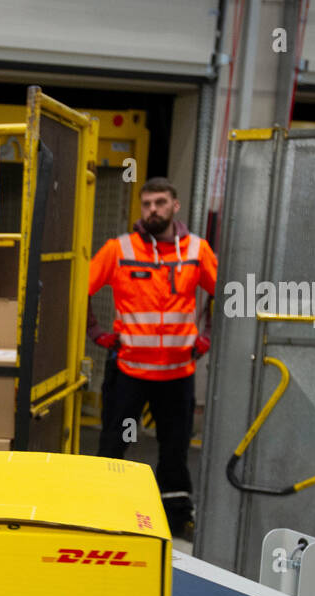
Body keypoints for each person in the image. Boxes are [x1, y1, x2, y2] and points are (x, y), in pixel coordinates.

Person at [87, 177, 217, 539]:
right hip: (129, 371)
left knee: (174, 449)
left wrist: (206, 337)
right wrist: (97, 332)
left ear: (175, 206)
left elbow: (224, 292)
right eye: (146, 204)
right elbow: (79, 287)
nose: (152, 210)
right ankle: (101, 513)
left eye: (160, 202)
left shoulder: (196, 250)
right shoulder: (120, 249)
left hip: (177, 375)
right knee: (114, 442)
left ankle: (175, 518)